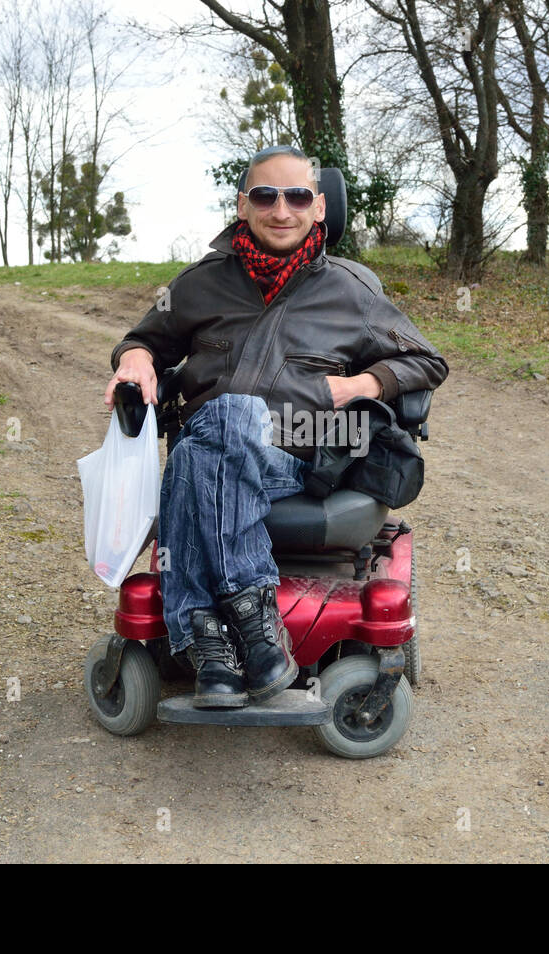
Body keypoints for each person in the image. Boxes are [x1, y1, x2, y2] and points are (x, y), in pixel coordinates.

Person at [103, 144, 448, 708]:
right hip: (211, 453)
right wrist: (136, 358)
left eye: (296, 197)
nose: (280, 209)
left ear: (317, 209)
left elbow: (426, 361)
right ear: (244, 205)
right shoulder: (198, 284)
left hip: (299, 461)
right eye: (265, 195)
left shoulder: (350, 291)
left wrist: (363, 385)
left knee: (220, 425)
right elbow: (144, 340)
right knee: (206, 441)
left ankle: (212, 635)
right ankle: (245, 630)